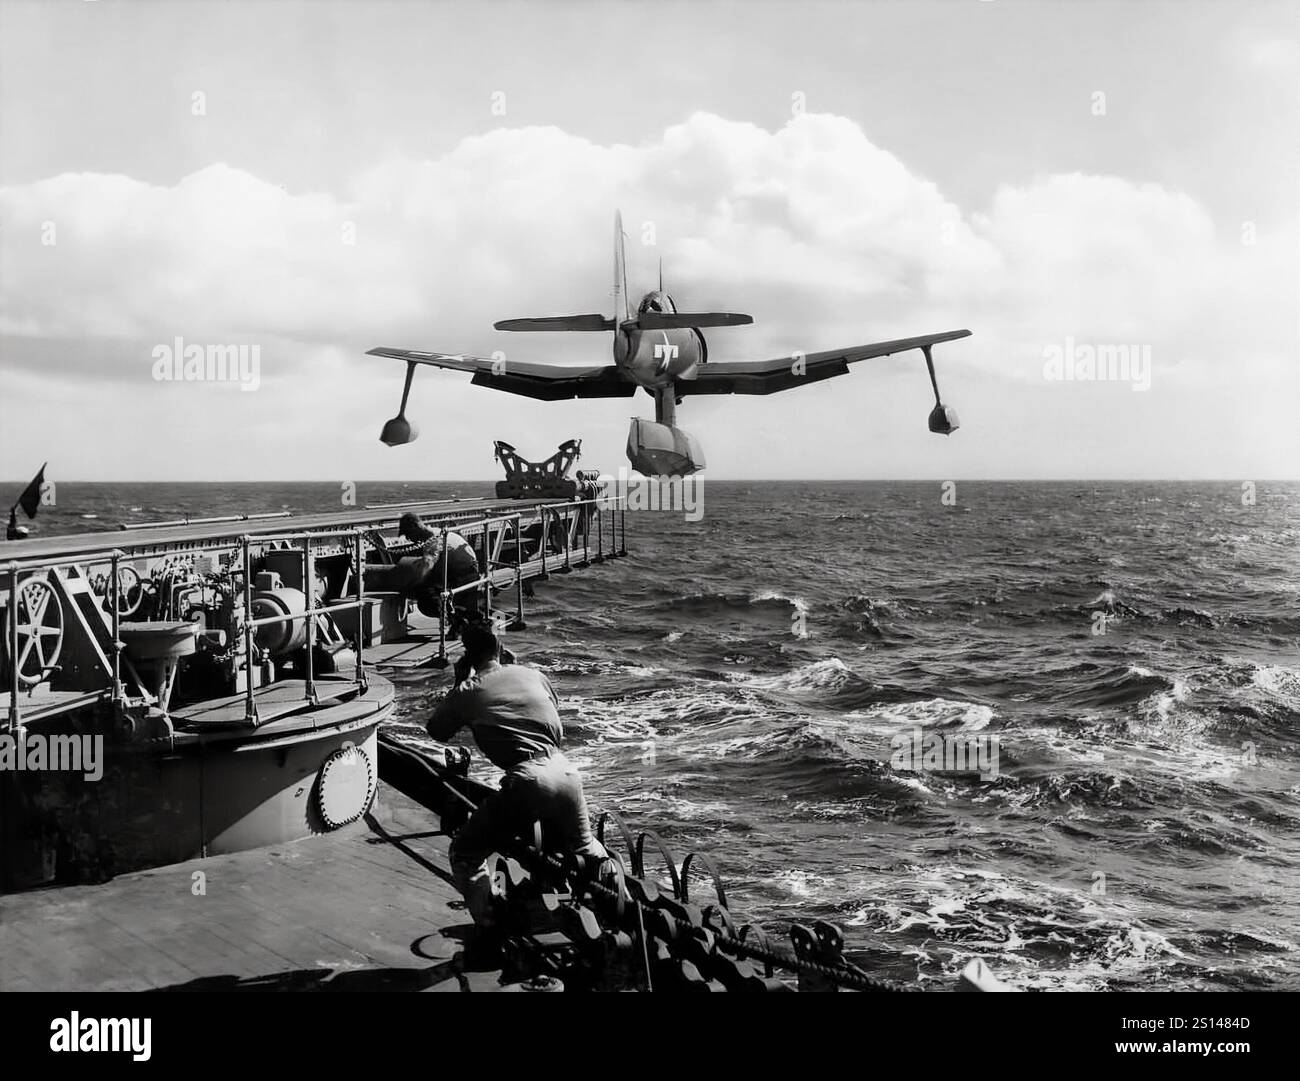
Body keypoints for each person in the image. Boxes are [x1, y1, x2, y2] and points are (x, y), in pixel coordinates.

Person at [426, 621, 604, 943]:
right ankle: (616, 900)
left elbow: (436, 730)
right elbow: (552, 714)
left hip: (528, 778)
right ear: (500, 650)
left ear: (467, 655)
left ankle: (490, 929)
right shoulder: (533, 674)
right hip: (566, 771)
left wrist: (459, 682)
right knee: (586, 851)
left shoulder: (472, 689)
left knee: (465, 852)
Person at [398, 512, 480, 628]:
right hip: (471, 569)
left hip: (463, 575)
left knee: (425, 595)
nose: (408, 539)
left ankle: (454, 617)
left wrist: (410, 585)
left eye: (408, 534)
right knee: (435, 582)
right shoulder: (439, 532)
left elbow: (428, 564)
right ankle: (459, 618)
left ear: (415, 527)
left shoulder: (433, 541)